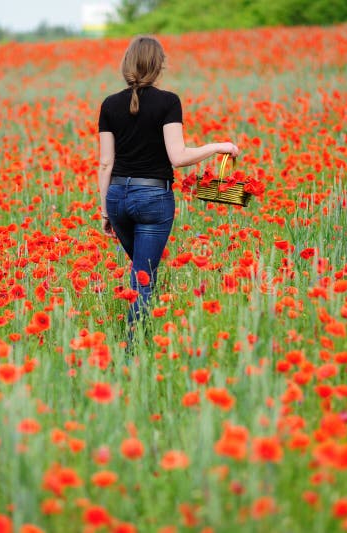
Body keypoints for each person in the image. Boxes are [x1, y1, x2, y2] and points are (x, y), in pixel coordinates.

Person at [97, 35, 239, 342]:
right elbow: (177, 157)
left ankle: (144, 334)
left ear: (126, 65)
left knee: (141, 271)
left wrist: (105, 210)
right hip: (152, 199)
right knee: (143, 277)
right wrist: (217, 146)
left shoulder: (109, 105)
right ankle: (136, 348)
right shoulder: (167, 102)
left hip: (118, 197)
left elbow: (106, 163)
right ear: (160, 66)